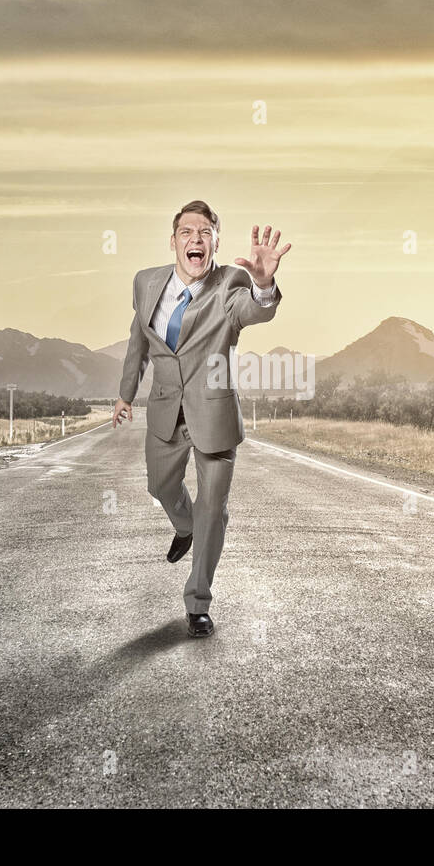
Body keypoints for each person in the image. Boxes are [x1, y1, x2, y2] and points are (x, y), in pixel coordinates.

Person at [112, 200, 290, 637]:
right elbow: (138, 339)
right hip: (164, 412)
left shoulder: (231, 282)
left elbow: (254, 309)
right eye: (188, 232)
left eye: (206, 233)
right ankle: (184, 526)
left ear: (215, 243)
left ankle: (198, 602)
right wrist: (124, 394)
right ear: (173, 242)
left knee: (213, 509)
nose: (197, 239)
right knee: (160, 486)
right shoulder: (145, 282)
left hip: (213, 416)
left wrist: (264, 285)